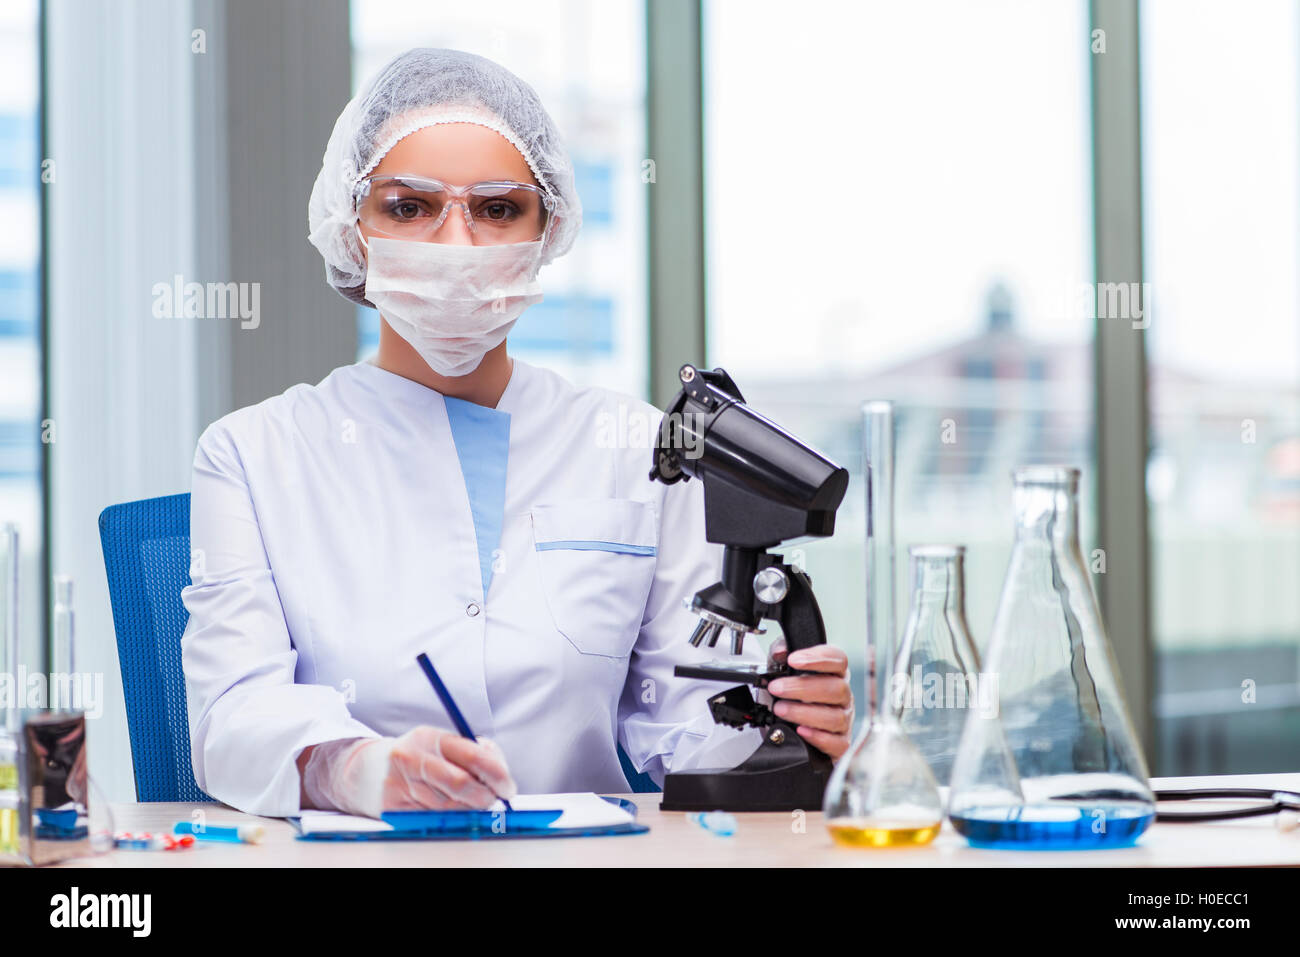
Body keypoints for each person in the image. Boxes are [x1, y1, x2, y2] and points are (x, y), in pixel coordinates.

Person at [179, 48, 852, 819]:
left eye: (498, 209)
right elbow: (232, 714)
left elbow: (693, 725)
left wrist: (793, 732)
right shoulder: (254, 454)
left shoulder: (637, 448)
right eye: (409, 206)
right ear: (352, 227)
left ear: (549, 228)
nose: (457, 245)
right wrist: (363, 771)